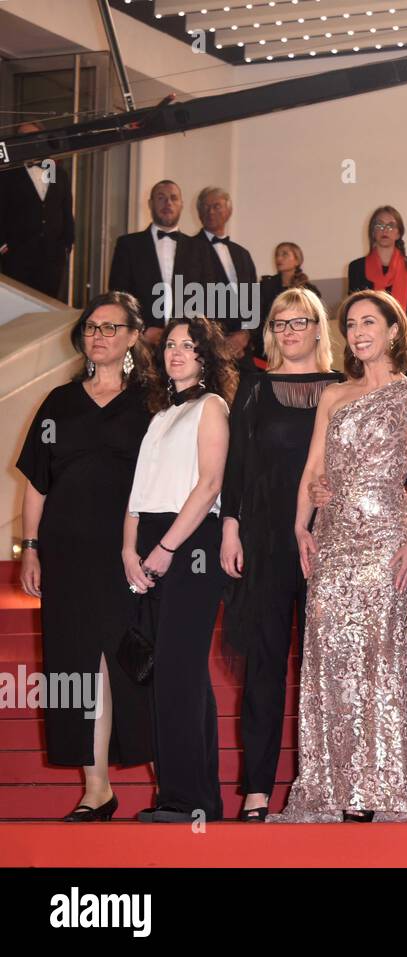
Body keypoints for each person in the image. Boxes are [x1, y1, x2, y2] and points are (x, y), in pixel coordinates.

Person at [275, 289, 407, 822]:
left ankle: (374, 787)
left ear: (394, 330)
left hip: (386, 534)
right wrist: (302, 523)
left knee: (375, 655)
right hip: (333, 535)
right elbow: (313, 469)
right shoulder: (334, 396)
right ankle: (330, 785)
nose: (359, 331)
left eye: (371, 321)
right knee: (327, 654)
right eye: (351, 323)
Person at [17, 292, 158, 821]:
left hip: (129, 553)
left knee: (136, 660)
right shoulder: (58, 403)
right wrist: (29, 547)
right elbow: (38, 481)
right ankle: (95, 789)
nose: (97, 336)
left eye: (109, 328)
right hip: (66, 551)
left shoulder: (153, 403)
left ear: (132, 336)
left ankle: (170, 782)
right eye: (91, 328)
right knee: (76, 665)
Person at [220, 288, 342, 821]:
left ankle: (328, 788)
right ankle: (257, 791)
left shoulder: (347, 388)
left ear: (319, 327)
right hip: (266, 543)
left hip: (335, 544)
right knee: (266, 667)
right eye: (280, 323)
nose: (290, 331)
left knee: (329, 671)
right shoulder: (252, 387)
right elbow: (236, 466)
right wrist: (230, 528)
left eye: (300, 321)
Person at [125, 315, 236, 823]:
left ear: (205, 356)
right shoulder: (158, 415)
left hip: (189, 541)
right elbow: (138, 494)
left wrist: (167, 546)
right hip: (149, 540)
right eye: (170, 345)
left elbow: (211, 484)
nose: (176, 353)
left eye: (188, 346)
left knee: (178, 668)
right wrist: (130, 549)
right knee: (170, 672)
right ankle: (194, 798)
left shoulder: (211, 406)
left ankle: (185, 799)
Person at [108, 180, 218, 344]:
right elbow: (118, 297)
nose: (168, 203)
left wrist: (192, 334)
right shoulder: (128, 245)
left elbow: (209, 296)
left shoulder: (200, 248)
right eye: (161, 198)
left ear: (181, 205)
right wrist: (142, 330)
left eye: (174, 198)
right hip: (140, 344)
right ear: (150, 204)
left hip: (187, 344)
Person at [0, 121, 74, 299]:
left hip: (52, 256)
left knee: (48, 306)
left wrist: (67, 243)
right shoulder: (6, 173)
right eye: (23, 137)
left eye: (34, 137)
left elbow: (64, 208)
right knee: (18, 308)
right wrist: (2, 244)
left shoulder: (57, 172)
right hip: (17, 256)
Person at [193, 186, 259, 358]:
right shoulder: (188, 250)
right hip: (206, 347)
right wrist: (216, 339)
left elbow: (253, 299)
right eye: (205, 207)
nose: (210, 211)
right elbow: (188, 300)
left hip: (242, 349)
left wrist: (245, 335)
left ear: (229, 211)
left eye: (216, 206)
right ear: (199, 213)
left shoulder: (243, 254)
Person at [346, 206, 407, 322]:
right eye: (379, 225)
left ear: (399, 233)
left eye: (391, 225)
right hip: (369, 336)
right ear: (373, 231)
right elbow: (354, 311)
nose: (385, 230)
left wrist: (402, 337)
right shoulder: (357, 268)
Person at [254, 242, 322, 364]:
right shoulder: (265, 286)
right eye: (277, 255)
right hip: (268, 350)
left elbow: (316, 323)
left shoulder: (309, 291)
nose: (279, 258)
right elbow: (257, 319)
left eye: (284, 254)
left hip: (300, 349)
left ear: (297, 260)